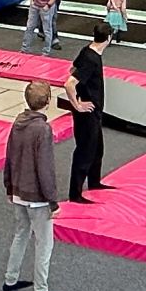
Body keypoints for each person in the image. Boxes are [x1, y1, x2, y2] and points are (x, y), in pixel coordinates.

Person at [2, 80, 63, 291]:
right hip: (36, 197)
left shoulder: (18, 122)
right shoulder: (43, 129)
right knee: (44, 243)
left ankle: (11, 278)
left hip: (18, 191)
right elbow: (45, 167)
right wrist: (53, 201)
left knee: (21, 234)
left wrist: (9, 186)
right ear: (47, 102)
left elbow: (9, 156)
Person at [63, 22, 110, 203]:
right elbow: (69, 83)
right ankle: (75, 194)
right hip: (87, 113)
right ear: (109, 38)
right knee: (85, 152)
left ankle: (94, 181)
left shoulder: (88, 51)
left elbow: (72, 68)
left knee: (97, 149)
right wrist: (77, 104)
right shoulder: (91, 59)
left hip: (95, 110)